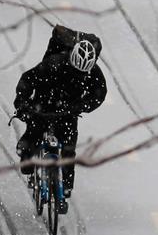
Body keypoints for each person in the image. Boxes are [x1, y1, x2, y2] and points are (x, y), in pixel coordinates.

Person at [13, 24, 107, 214]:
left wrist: (82, 106)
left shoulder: (94, 72)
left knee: (68, 150)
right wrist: (22, 103)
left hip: (68, 111)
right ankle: (27, 155)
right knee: (33, 134)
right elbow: (28, 79)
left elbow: (99, 94)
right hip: (44, 104)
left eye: (83, 72)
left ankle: (65, 189)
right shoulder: (53, 63)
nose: (79, 74)